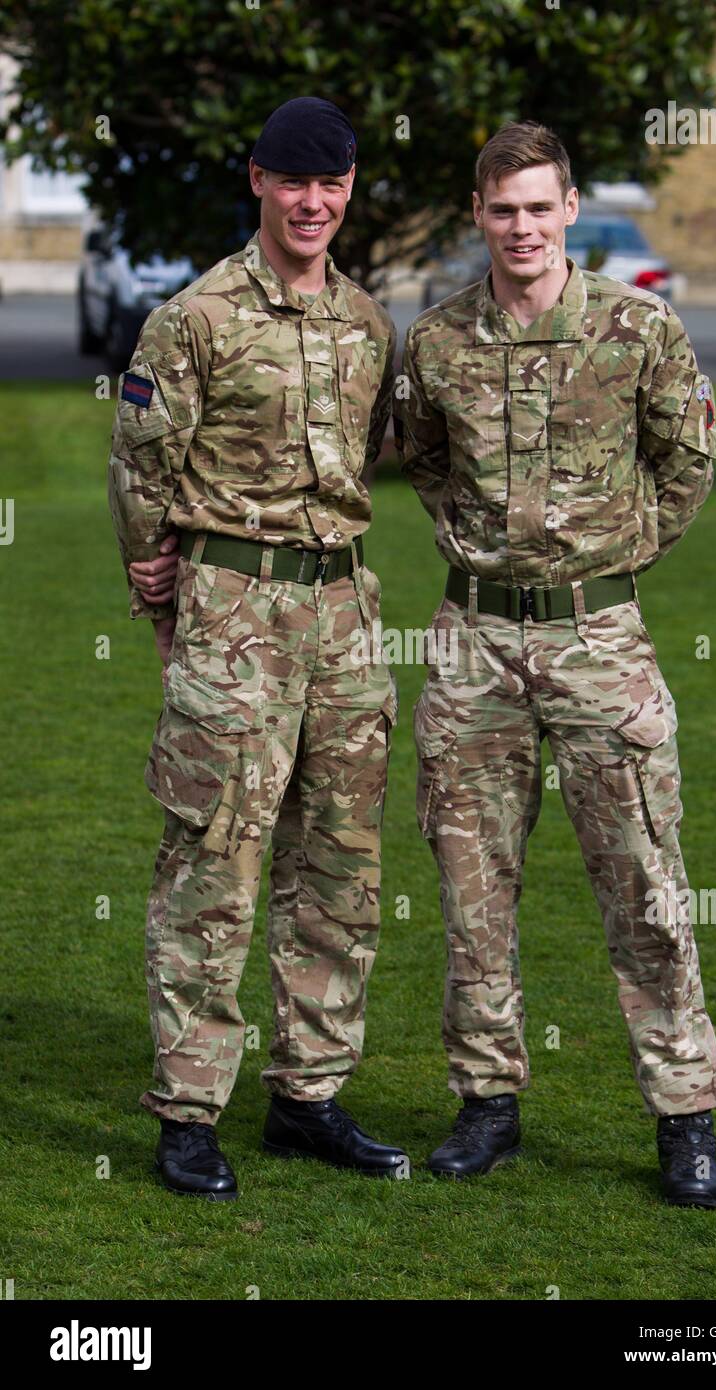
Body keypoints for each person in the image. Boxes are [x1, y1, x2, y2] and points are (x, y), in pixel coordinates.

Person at [395, 121, 716, 1207]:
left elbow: (684, 462)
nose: (522, 227)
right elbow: (426, 466)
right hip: (474, 644)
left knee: (643, 882)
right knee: (471, 889)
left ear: (570, 209)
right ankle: (486, 1101)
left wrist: (611, 559)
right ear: (477, 215)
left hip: (599, 642)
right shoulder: (436, 343)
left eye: (539, 207)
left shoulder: (639, 329)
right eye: (502, 209)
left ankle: (683, 1114)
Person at [108, 96, 410, 1200]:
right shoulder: (192, 320)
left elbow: (368, 459)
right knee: (214, 863)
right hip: (234, 618)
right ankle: (188, 1111)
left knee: (338, 866)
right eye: (294, 182)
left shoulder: (367, 323)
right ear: (258, 181)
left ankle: (307, 1096)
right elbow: (141, 469)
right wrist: (159, 584)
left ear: (348, 189)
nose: (312, 202)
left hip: (344, 619)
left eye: (330, 184)